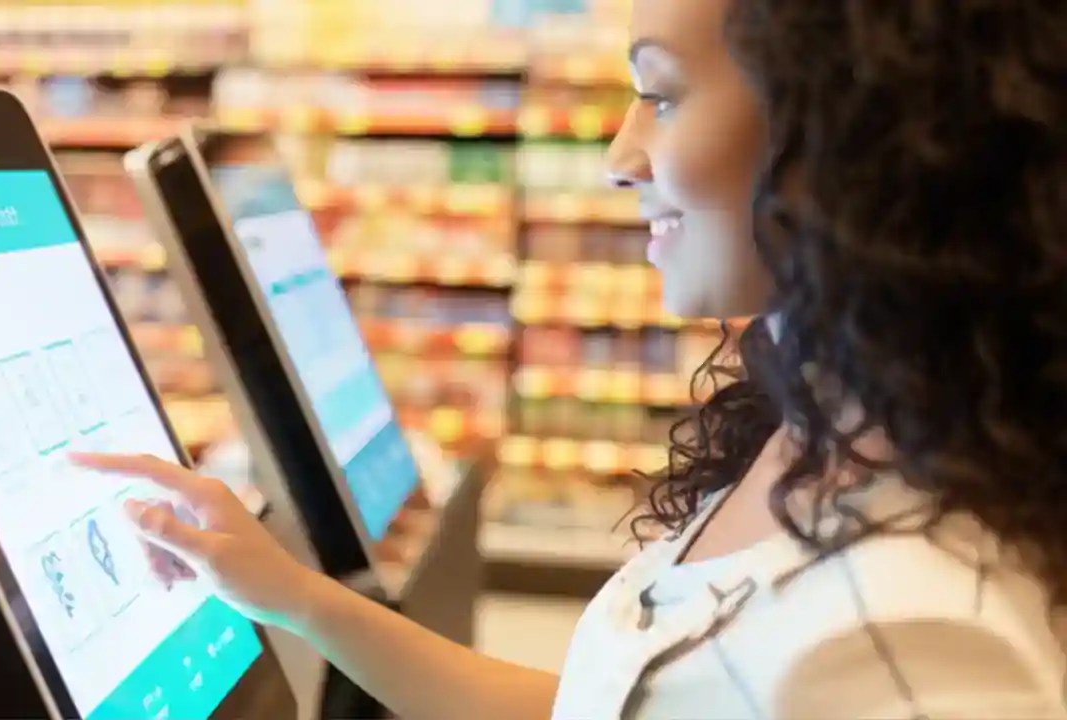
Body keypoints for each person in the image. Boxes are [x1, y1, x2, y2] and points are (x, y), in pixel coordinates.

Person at [76, 0, 1067, 716]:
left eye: (659, 95)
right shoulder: (819, 431)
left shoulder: (924, 640)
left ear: (859, 127)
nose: (620, 155)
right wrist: (293, 596)